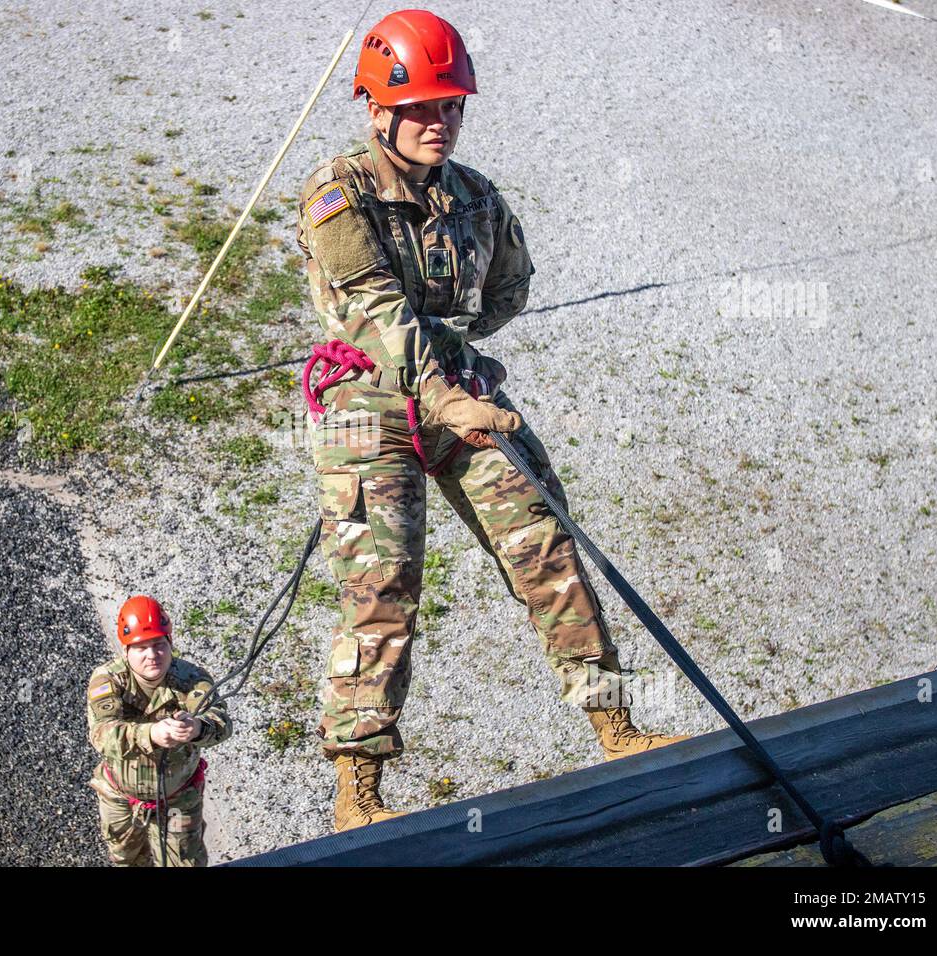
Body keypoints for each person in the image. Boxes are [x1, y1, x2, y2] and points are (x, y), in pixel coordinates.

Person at [295, 9, 688, 832]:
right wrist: (444, 388)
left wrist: (455, 354)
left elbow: (510, 287)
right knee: (383, 583)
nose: (439, 122)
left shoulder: (476, 195)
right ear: (377, 110)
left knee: (546, 545)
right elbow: (376, 310)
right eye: (419, 108)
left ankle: (615, 727)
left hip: (460, 399)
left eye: (451, 105)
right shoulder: (338, 195)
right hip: (370, 408)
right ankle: (357, 788)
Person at [85, 595, 232, 865]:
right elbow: (102, 734)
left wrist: (197, 728)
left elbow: (221, 722)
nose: (152, 656)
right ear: (126, 650)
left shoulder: (191, 679)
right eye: (141, 648)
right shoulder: (108, 680)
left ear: (170, 643)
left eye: (159, 645)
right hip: (121, 796)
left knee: (184, 863)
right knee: (127, 859)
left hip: (178, 798)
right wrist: (151, 734)